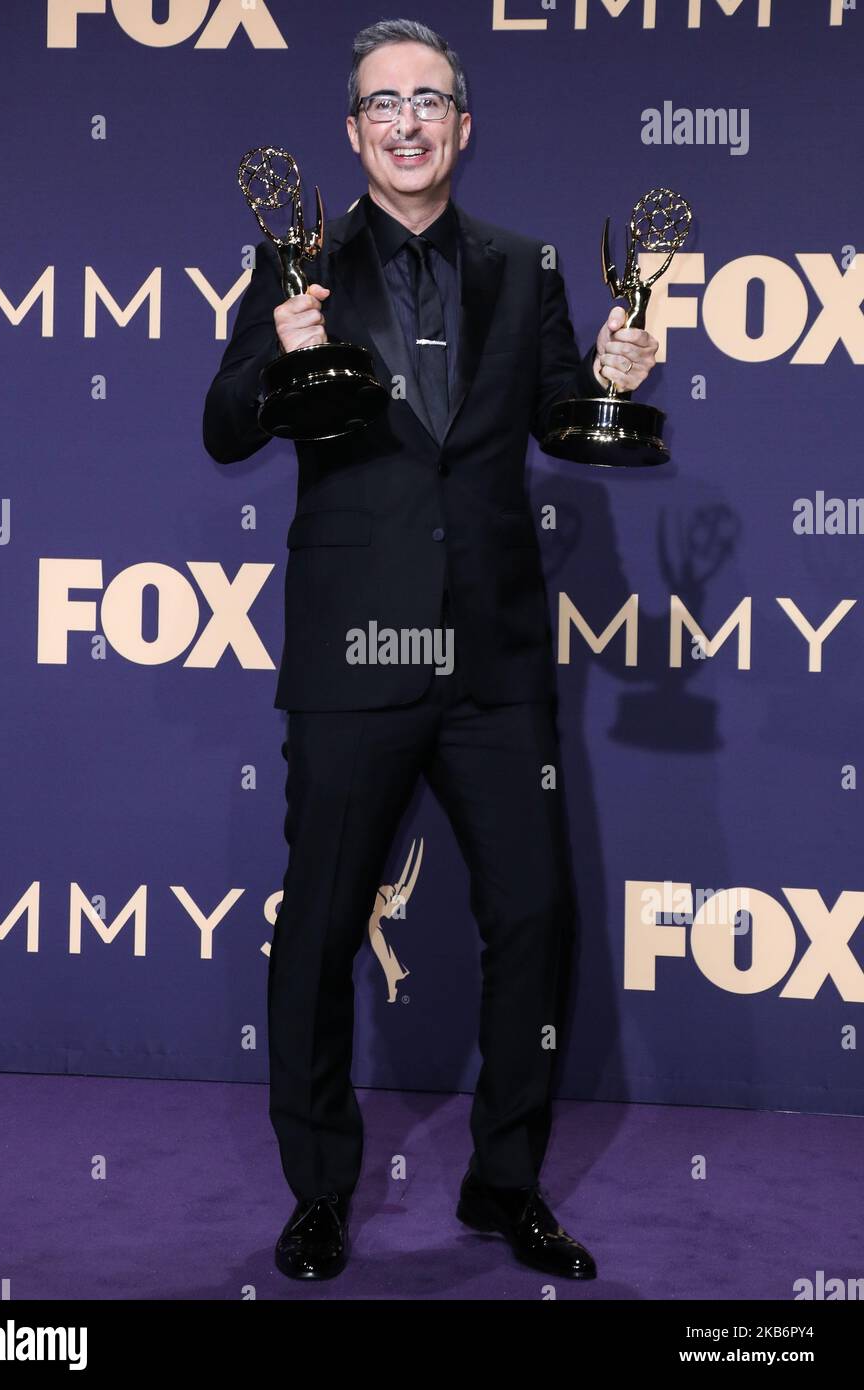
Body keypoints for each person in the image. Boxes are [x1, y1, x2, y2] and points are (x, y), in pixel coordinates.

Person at [202, 17, 658, 1283]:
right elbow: (224, 426)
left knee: (535, 918)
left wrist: (612, 379)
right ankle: (319, 1194)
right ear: (352, 132)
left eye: (430, 101)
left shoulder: (527, 265)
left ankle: (505, 1187)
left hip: (495, 659)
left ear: (463, 123)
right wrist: (282, 355)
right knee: (320, 929)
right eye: (380, 103)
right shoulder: (296, 263)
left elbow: (568, 418)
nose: (406, 121)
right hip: (353, 651)